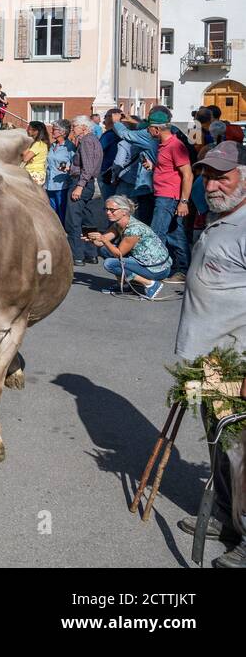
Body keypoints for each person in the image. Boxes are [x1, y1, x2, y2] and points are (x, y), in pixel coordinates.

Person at [172, 141, 246, 567]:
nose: (213, 184)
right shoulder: (219, 216)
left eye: (223, 175)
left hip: (236, 362)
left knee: (242, 452)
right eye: (207, 175)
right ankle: (224, 514)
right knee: (220, 443)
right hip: (208, 359)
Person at [87, 195, 172, 299]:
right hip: (144, 262)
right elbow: (102, 242)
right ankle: (125, 285)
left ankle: (150, 284)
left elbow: (118, 253)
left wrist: (103, 240)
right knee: (105, 250)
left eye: (112, 210)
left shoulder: (133, 229)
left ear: (124, 211)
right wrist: (94, 239)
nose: (108, 213)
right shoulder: (118, 224)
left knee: (109, 264)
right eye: (107, 209)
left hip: (158, 270)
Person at [142, 108, 192, 281]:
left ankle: (156, 271)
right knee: (175, 234)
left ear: (156, 129)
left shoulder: (175, 145)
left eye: (148, 128)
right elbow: (168, 169)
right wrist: (154, 167)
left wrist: (183, 201)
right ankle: (182, 270)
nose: (147, 131)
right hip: (165, 196)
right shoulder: (164, 145)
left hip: (168, 197)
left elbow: (188, 174)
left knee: (157, 234)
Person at [66, 114, 105, 266]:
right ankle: (91, 253)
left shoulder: (87, 141)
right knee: (89, 219)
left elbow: (88, 168)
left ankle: (77, 256)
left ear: (83, 127)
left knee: (74, 221)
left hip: (81, 183)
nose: (72, 129)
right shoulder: (93, 140)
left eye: (74, 126)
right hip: (87, 182)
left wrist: (79, 186)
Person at [44, 120, 75, 224]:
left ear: (62, 132)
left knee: (62, 211)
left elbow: (75, 165)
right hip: (49, 184)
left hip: (62, 185)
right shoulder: (52, 146)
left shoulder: (69, 147)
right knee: (52, 212)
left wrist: (67, 168)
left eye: (54, 130)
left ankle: (63, 232)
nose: (51, 132)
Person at [21, 121, 49, 185]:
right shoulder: (37, 143)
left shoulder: (38, 144)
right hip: (36, 174)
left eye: (29, 128)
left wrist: (26, 155)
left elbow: (25, 158)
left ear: (36, 131)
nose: (27, 130)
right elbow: (23, 154)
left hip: (35, 174)